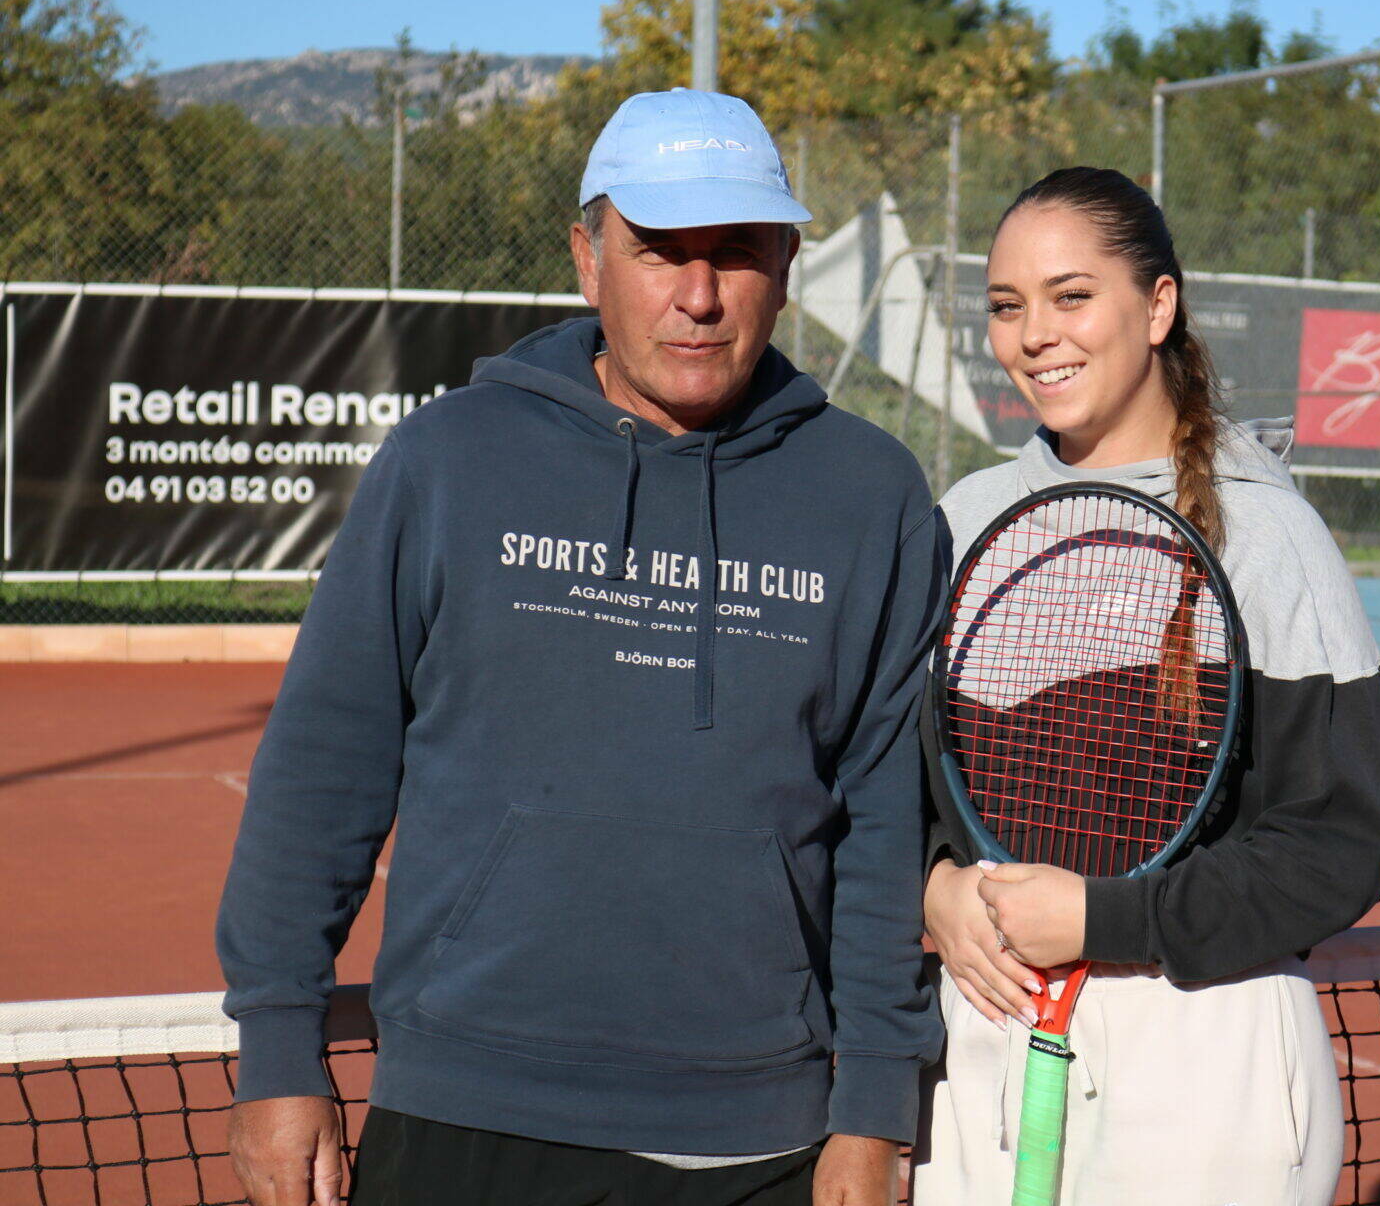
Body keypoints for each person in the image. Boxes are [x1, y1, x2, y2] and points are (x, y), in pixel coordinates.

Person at [216, 89, 946, 1206]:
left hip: (752, 1130)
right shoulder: (448, 459)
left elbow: (888, 817)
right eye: (659, 251)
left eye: (736, 252)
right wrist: (275, 1045)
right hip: (462, 1106)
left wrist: (878, 1102)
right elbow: (324, 763)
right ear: (588, 257)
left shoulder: (873, 495)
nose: (699, 297)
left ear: (787, 262)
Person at [912, 167, 1380, 1205]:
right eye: (1007, 307)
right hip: (983, 1049)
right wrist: (934, 889)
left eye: (1072, 294)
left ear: (1159, 305)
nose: (1035, 333)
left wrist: (1108, 919)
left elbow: (1338, 842)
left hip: (1209, 1068)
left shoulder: (1273, 533)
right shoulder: (963, 519)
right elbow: (893, 783)